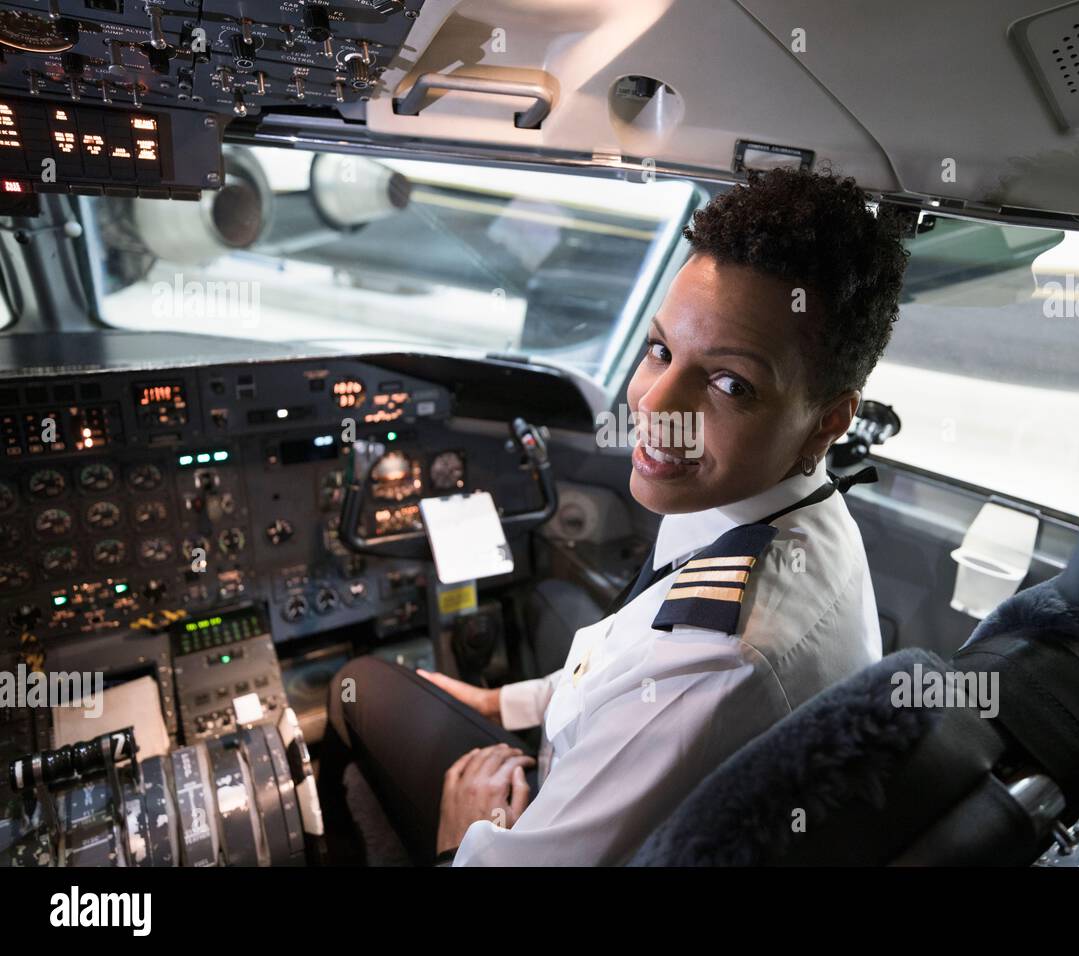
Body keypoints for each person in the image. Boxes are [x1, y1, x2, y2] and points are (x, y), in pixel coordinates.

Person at [327, 166, 910, 865]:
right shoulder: (797, 508)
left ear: (828, 422)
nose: (655, 407)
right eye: (661, 350)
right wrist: (504, 706)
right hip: (569, 760)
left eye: (730, 383)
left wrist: (462, 837)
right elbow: (624, 668)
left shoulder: (719, 658)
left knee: (352, 687)